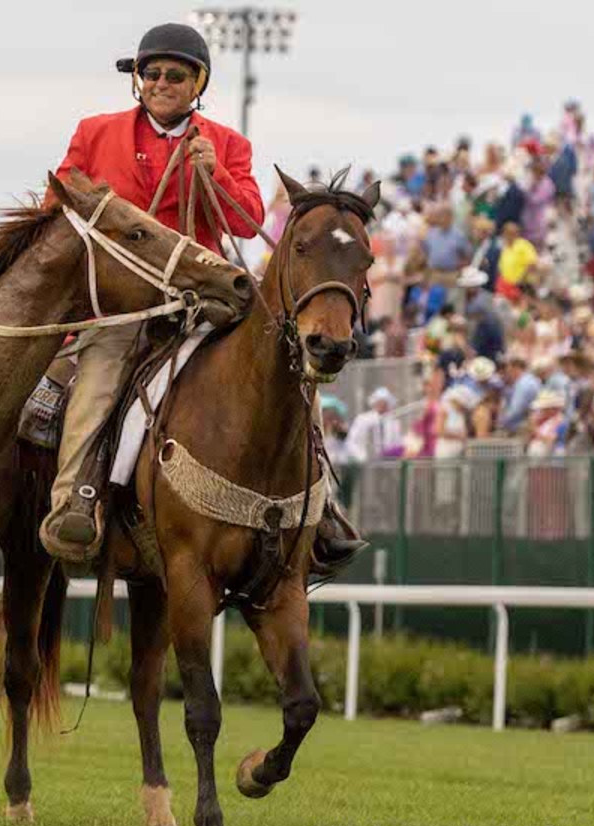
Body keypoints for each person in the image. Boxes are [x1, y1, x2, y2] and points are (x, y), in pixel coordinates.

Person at [38, 23, 285, 563]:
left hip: (202, 300)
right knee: (98, 381)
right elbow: (55, 206)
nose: (162, 83)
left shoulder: (229, 144)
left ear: (198, 83)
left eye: (176, 75)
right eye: (152, 73)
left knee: (280, 362)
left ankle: (316, 508)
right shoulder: (94, 133)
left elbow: (249, 222)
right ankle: (74, 502)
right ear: (138, 79)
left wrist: (216, 175)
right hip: (120, 303)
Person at [345, 388, 403, 462]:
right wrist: (360, 456)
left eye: (384, 403)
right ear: (374, 403)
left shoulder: (394, 422)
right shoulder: (363, 419)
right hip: (365, 461)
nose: (381, 405)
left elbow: (397, 444)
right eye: (379, 402)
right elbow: (351, 441)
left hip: (388, 462)